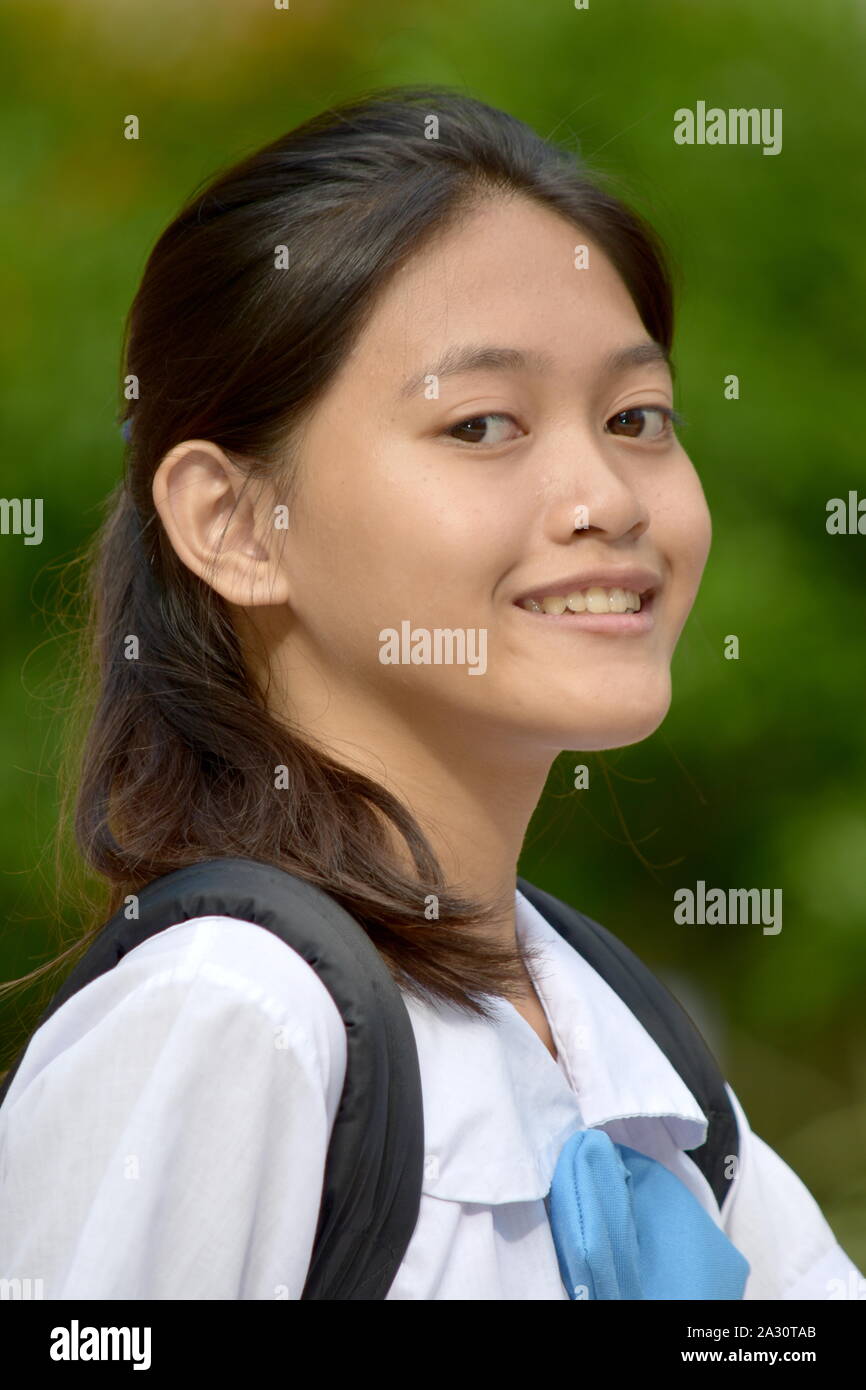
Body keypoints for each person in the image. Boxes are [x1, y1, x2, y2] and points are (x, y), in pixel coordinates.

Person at [0, 84, 860, 1300]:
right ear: (235, 522)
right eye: (481, 424)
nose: (605, 498)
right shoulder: (233, 1019)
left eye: (636, 416)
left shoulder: (639, 1062)